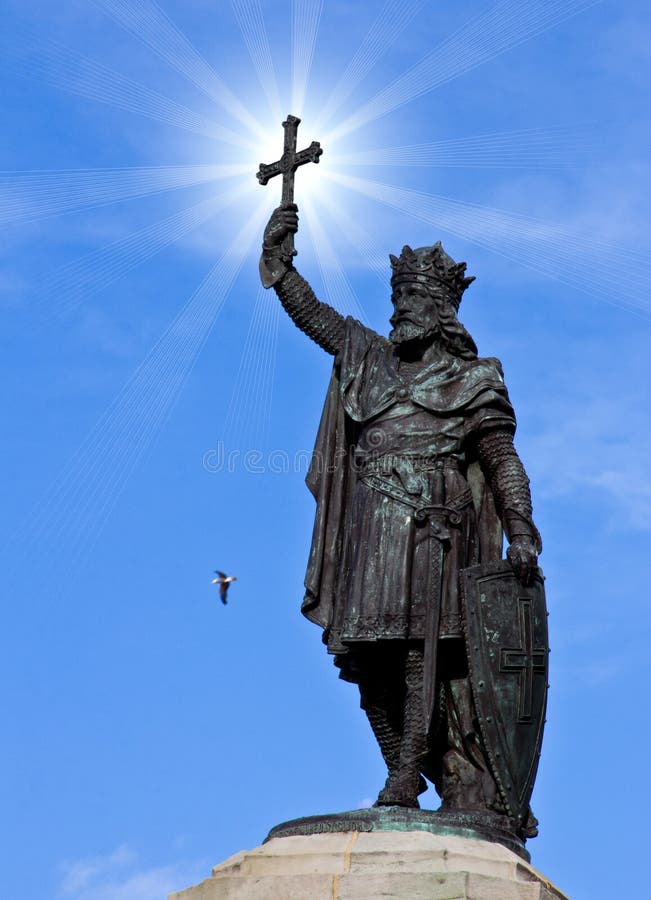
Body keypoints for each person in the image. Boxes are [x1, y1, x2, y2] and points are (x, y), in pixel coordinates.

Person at [260, 204, 542, 826]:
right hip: (371, 526)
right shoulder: (368, 356)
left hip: (436, 528)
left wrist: (521, 528)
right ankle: (400, 759)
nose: (398, 313)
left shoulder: (473, 378)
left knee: (421, 650)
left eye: (411, 303)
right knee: (365, 654)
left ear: (441, 311)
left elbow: (501, 460)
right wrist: (280, 265)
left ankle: (407, 768)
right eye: (396, 302)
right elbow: (316, 318)